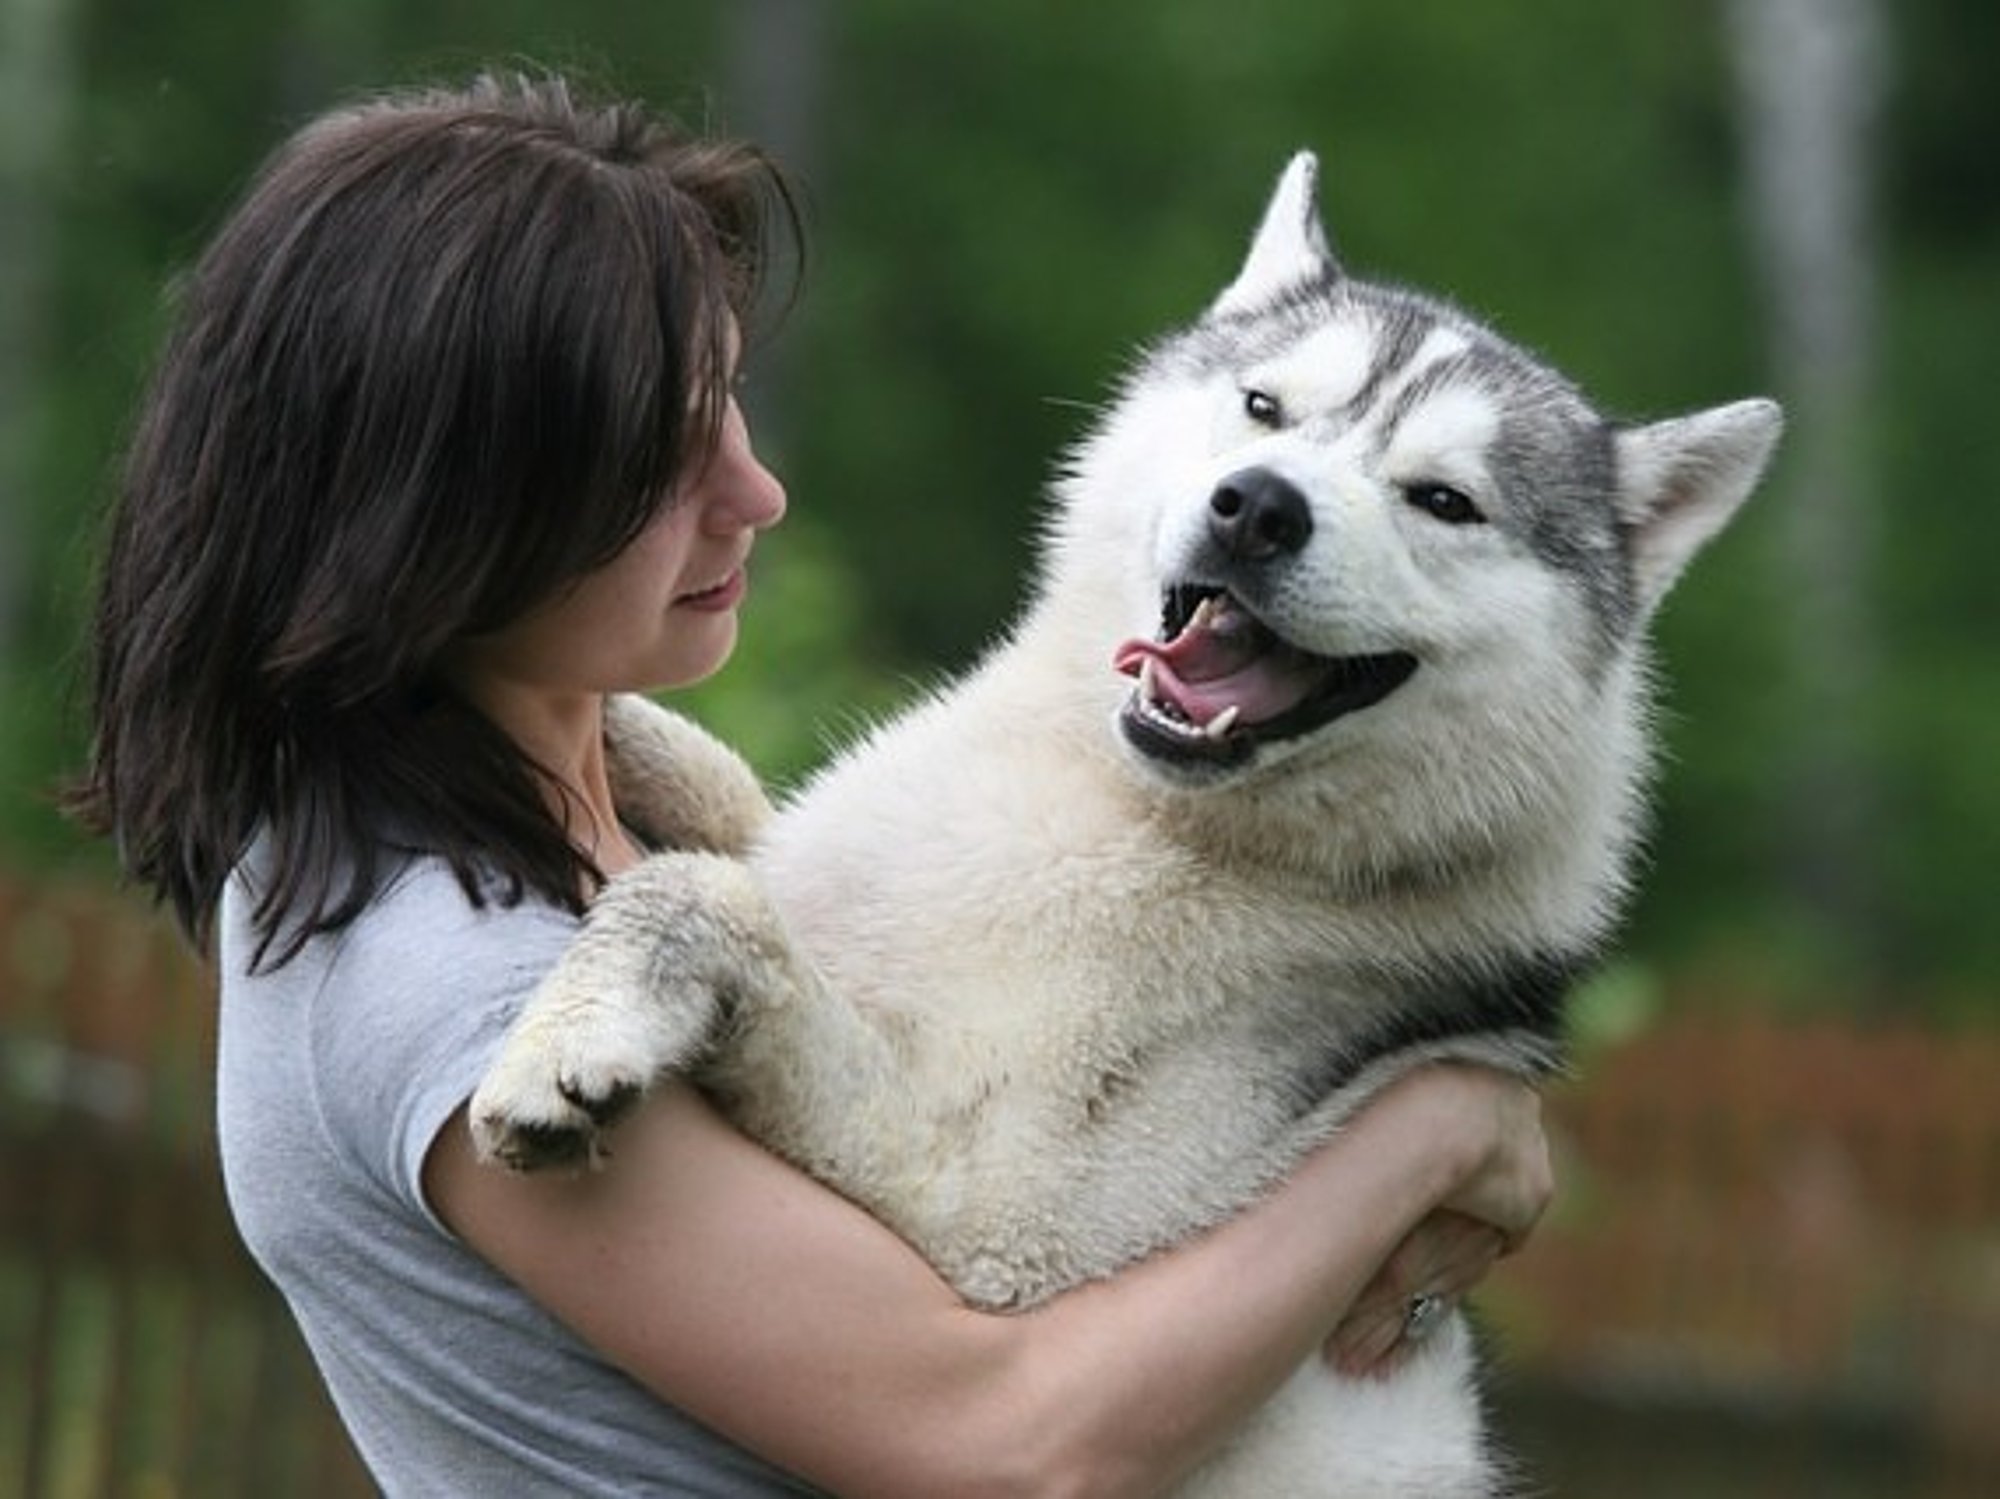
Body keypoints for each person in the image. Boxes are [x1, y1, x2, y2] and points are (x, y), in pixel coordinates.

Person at [69, 73, 1552, 1497]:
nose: (753, 491)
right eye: (660, 452)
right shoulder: (453, 979)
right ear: (439, 503)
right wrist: (1432, 1131)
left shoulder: (567, 805)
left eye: (726, 402)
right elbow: (1013, 1450)